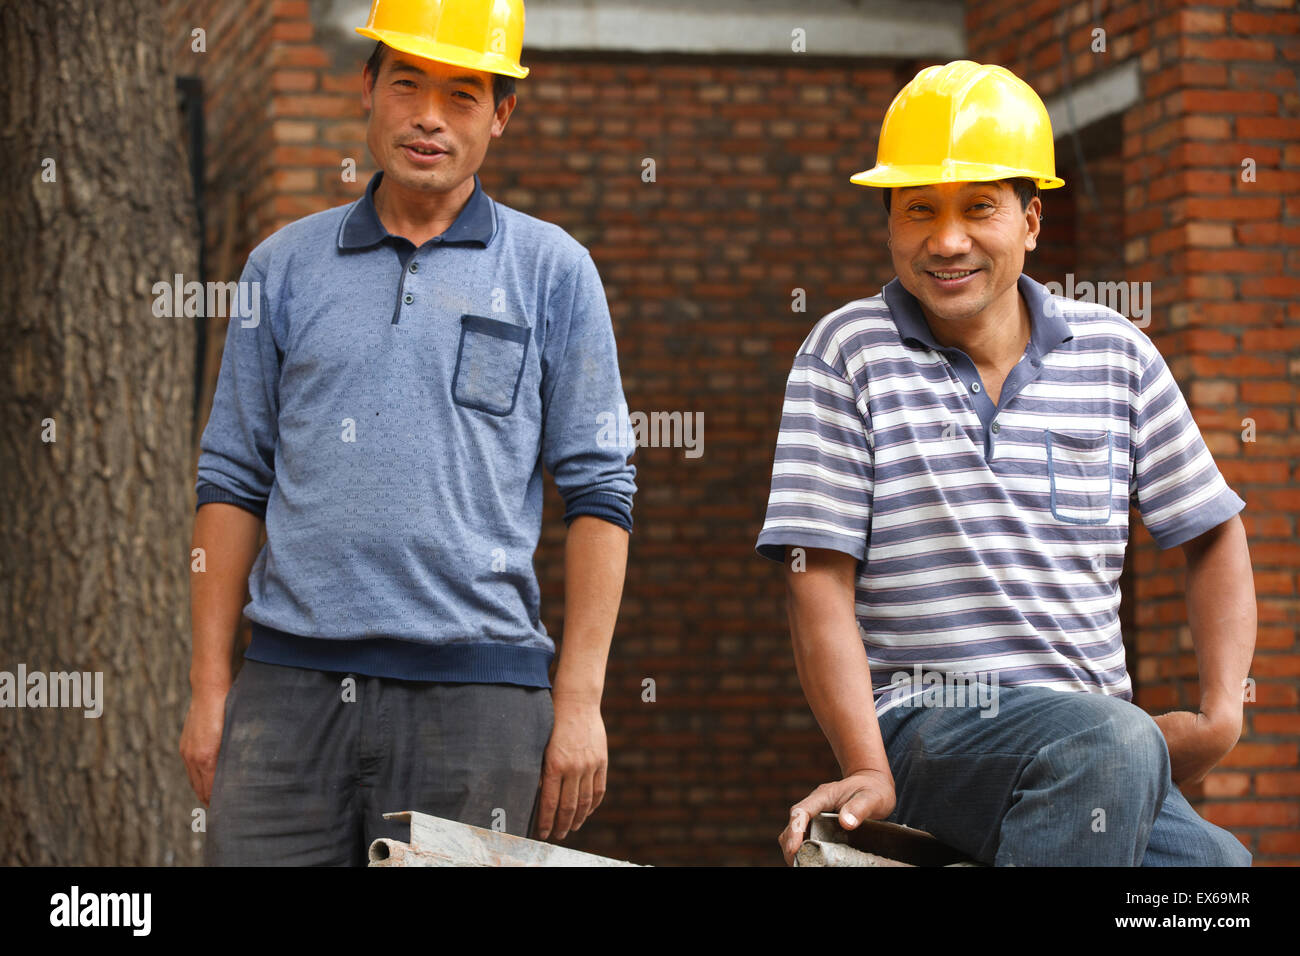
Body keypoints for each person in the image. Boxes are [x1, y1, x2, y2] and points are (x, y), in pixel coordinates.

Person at [756, 60, 1255, 866]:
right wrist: (865, 763)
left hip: (1098, 745)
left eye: (979, 208)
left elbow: (1210, 532)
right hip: (931, 725)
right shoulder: (848, 355)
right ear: (890, 223)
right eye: (919, 209)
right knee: (1109, 742)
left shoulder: (1116, 356)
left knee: (1218, 875)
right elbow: (815, 579)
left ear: (1030, 219)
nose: (946, 240)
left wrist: (1222, 711)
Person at [180, 0, 636, 865]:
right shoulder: (280, 267)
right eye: (407, 84)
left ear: (501, 114)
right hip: (285, 696)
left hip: (480, 702)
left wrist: (580, 701)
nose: (430, 115)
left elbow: (602, 493)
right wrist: (211, 688)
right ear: (367, 88)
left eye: (463, 94)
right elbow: (232, 481)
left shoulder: (554, 271)